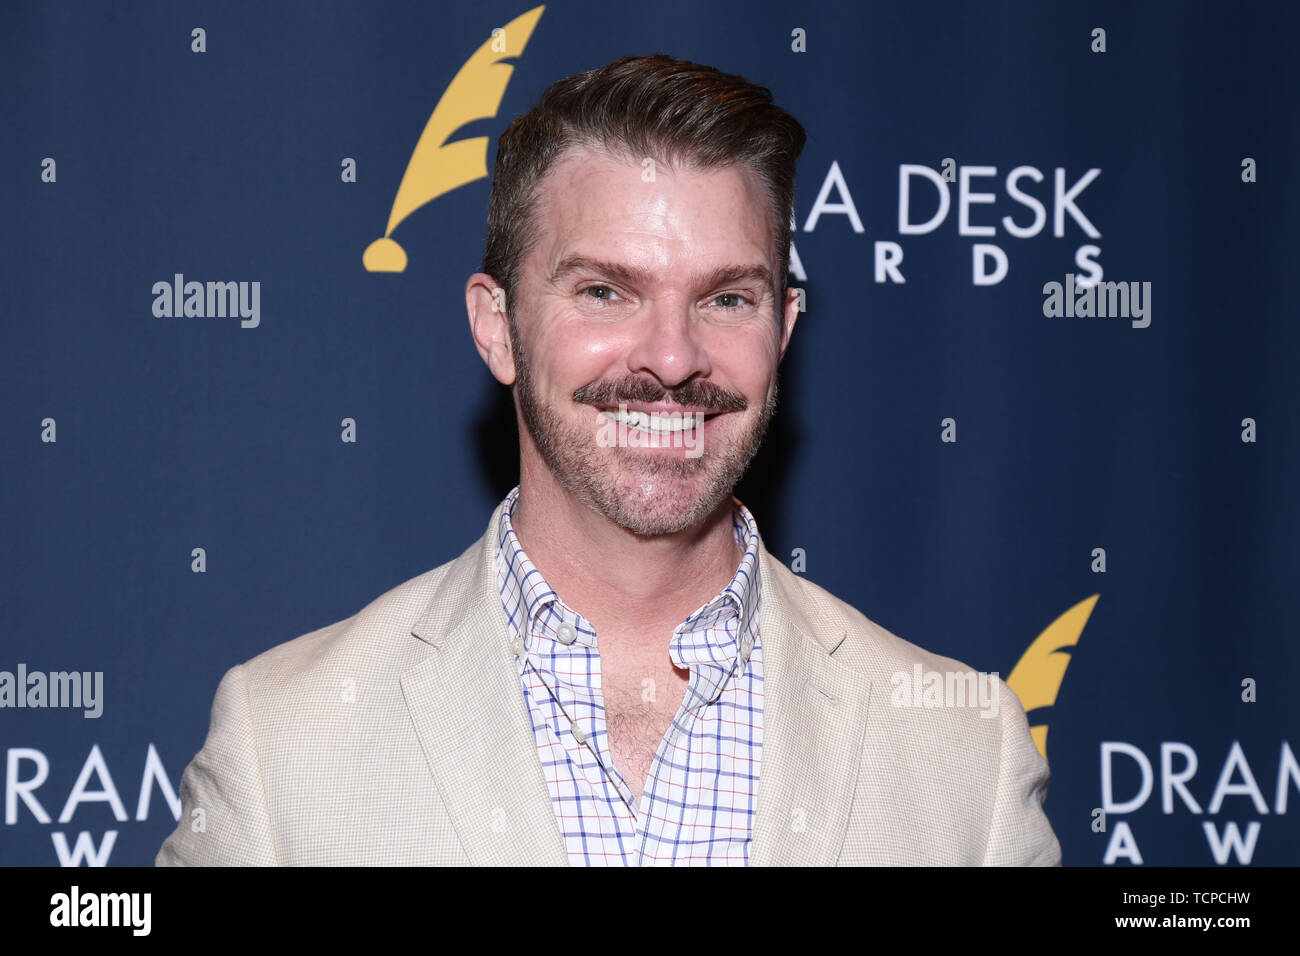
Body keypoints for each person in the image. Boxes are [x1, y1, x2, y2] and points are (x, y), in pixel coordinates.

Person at [157, 54, 1060, 866]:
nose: (671, 358)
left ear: (783, 330)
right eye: (604, 290)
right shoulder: (284, 745)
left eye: (727, 298)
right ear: (497, 328)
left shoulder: (962, 758)